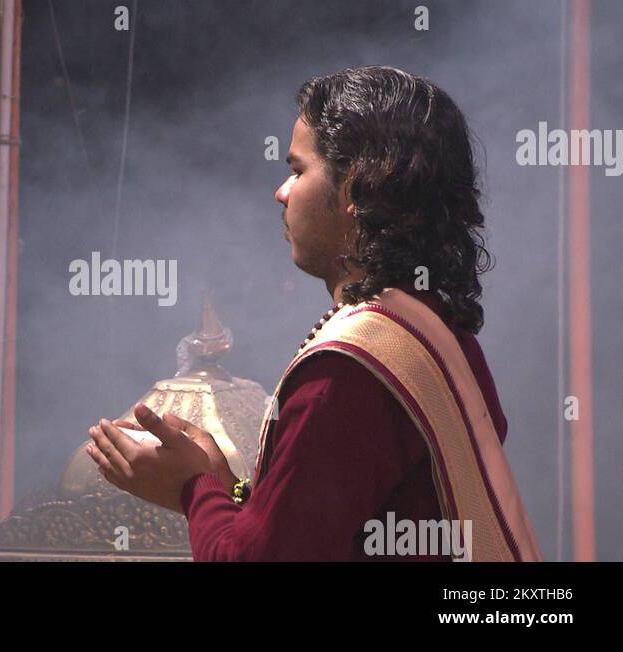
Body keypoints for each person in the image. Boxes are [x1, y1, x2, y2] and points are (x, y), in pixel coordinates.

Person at [86, 66, 543, 561]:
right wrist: (226, 487)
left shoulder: (352, 368)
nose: (282, 192)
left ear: (358, 188)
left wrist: (192, 487)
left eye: (299, 170)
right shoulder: (438, 332)